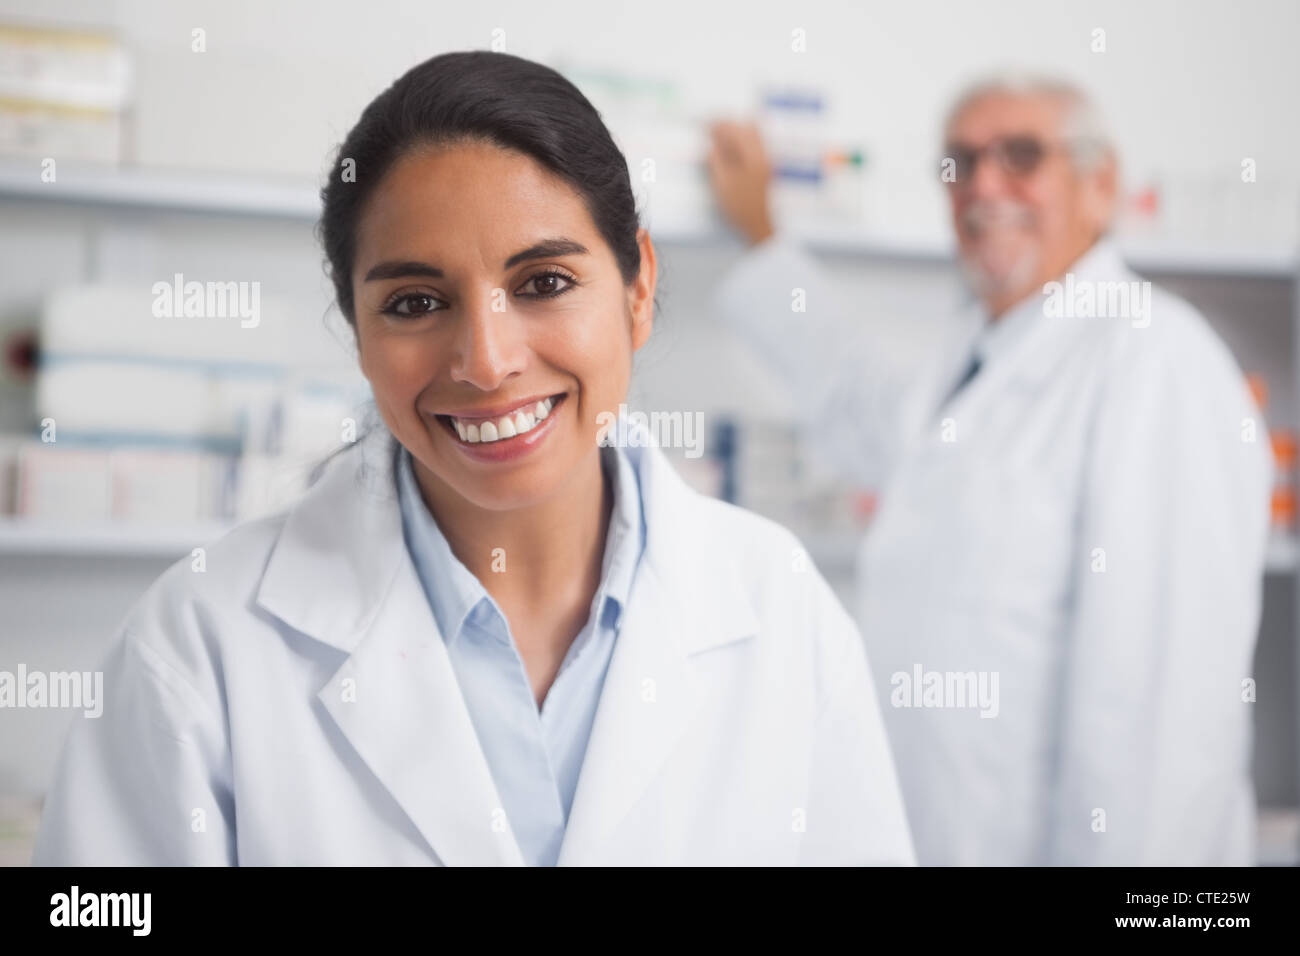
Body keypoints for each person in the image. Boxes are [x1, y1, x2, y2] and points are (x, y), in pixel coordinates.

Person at [32, 51, 914, 866]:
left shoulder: (781, 609)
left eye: (544, 283)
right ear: (358, 334)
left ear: (639, 288)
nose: (486, 361)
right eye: (416, 302)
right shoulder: (201, 643)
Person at [708, 75, 1272, 865]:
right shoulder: (973, 357)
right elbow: (859, 401)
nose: (983, 185)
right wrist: (764, 234)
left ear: (1099, 186)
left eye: (1021, 156)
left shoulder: (1155, 361)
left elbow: (1161, 724)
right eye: (961, 164)